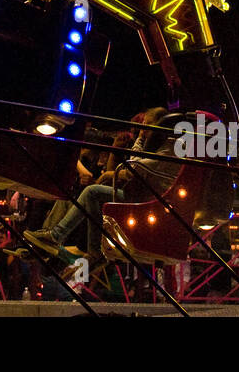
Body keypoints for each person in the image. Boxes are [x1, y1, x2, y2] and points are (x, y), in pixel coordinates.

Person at [24, 107, 174, 266]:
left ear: (160, 126)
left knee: (90, 192)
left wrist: (138, 142)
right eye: (141, 126)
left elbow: (132, 169)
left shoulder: (166, 148)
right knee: (73, 196)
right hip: (140, 196)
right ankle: (50, 243)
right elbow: (125, 171)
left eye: (147, 125)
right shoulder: (154, 146)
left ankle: (58, 239)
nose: (141, 131)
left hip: (151, 203)